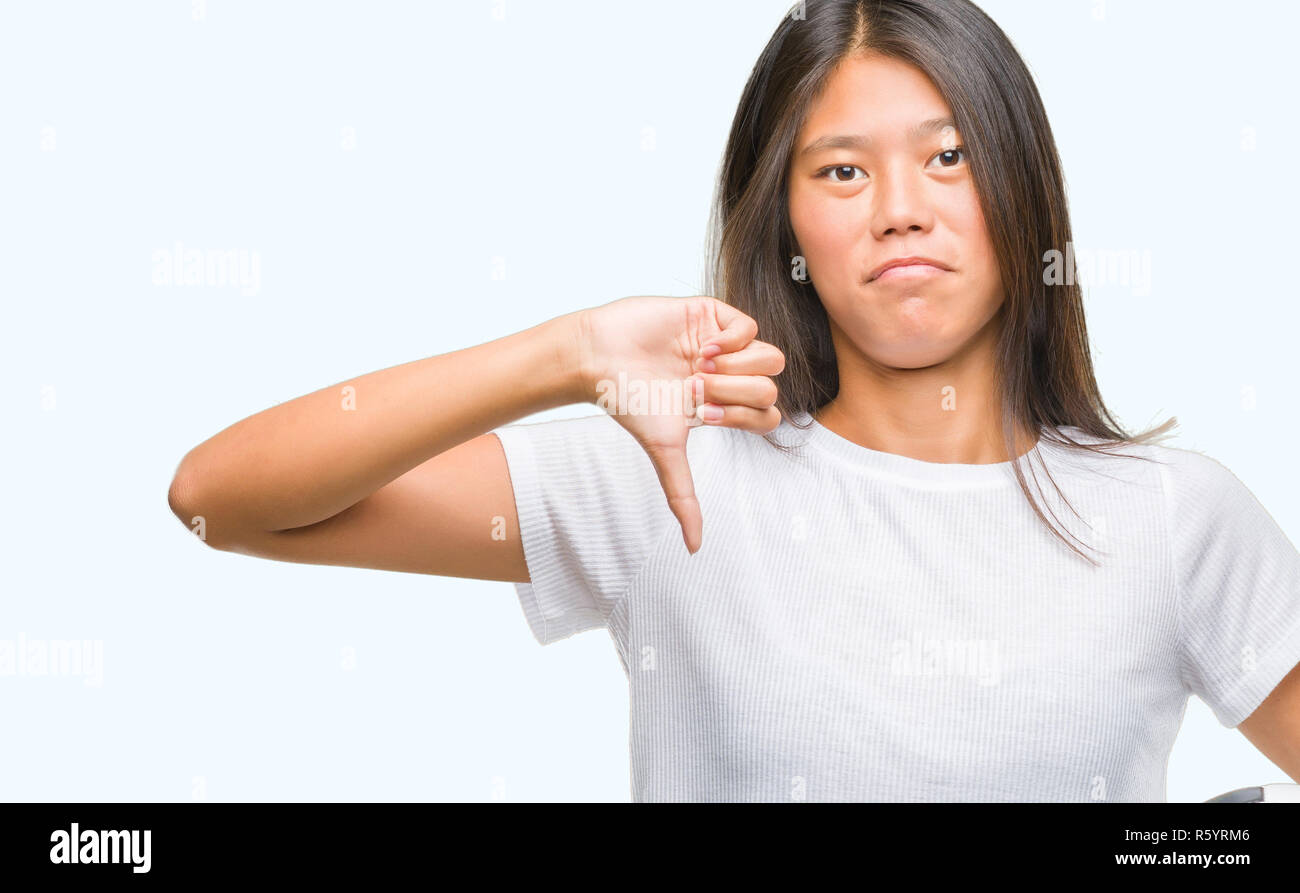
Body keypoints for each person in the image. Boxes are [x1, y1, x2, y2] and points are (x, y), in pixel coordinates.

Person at [167, 0, 1300, 801]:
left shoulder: (1171, 515)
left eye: (948, 155)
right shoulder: (672, 479)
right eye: (841, 170)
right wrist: (567, 350)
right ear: (786, 222)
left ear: (1021, 183)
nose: (899, 208)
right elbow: (224, 497)